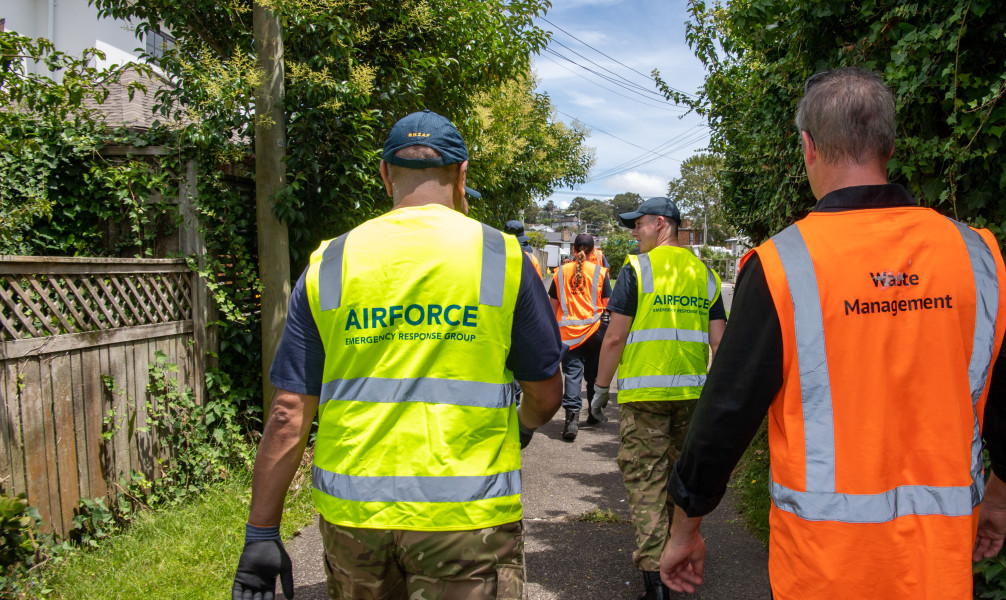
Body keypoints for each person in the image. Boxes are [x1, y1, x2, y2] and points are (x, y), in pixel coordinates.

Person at [658, 68, 1006, 599]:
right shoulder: (976, 258)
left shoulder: (783, 265)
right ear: (889, 145)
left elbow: (726, 412)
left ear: (808, 146)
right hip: (938, 567)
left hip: (822, 569)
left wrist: (687, 524)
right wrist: (1000, 499)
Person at [230, 109, 564, 600]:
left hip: (354, 523)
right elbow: (545, 393)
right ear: (462, 173)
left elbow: (287, 413)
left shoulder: (332, 262)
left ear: (385, 173)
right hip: (466, 523)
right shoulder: (502, 256)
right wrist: (523, 424)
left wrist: (261, 532)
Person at [590, 197, 727, 600]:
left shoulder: (637, 270)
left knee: (645, 482)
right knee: (679, 480)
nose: (634, 233)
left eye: (639, 225)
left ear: (661, 225)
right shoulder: (704, 274)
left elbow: (614, 337)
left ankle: (656, 577)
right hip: (691, 395)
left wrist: (600, 389)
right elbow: (720, 342)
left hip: (645, 396)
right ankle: (675, 556)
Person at [547, 233, 611, 440]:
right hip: (595, 332)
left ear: (574, 250)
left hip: (568, 335)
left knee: (572, 376)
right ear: (594, 252)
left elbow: (552, 307)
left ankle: (571, 421)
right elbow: (608, 305)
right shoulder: (601, 272)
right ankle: (593, 413)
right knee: (592, 376)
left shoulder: (559, 273)